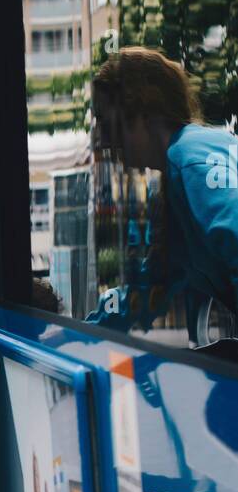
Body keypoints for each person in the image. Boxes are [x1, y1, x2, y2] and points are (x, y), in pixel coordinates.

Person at [88, 46, 238, 333]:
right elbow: (149, 290)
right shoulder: (177, 183)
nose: (104, 140)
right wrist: (78, 332)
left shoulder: (188, 155)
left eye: (108, 122)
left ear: (142, 110)